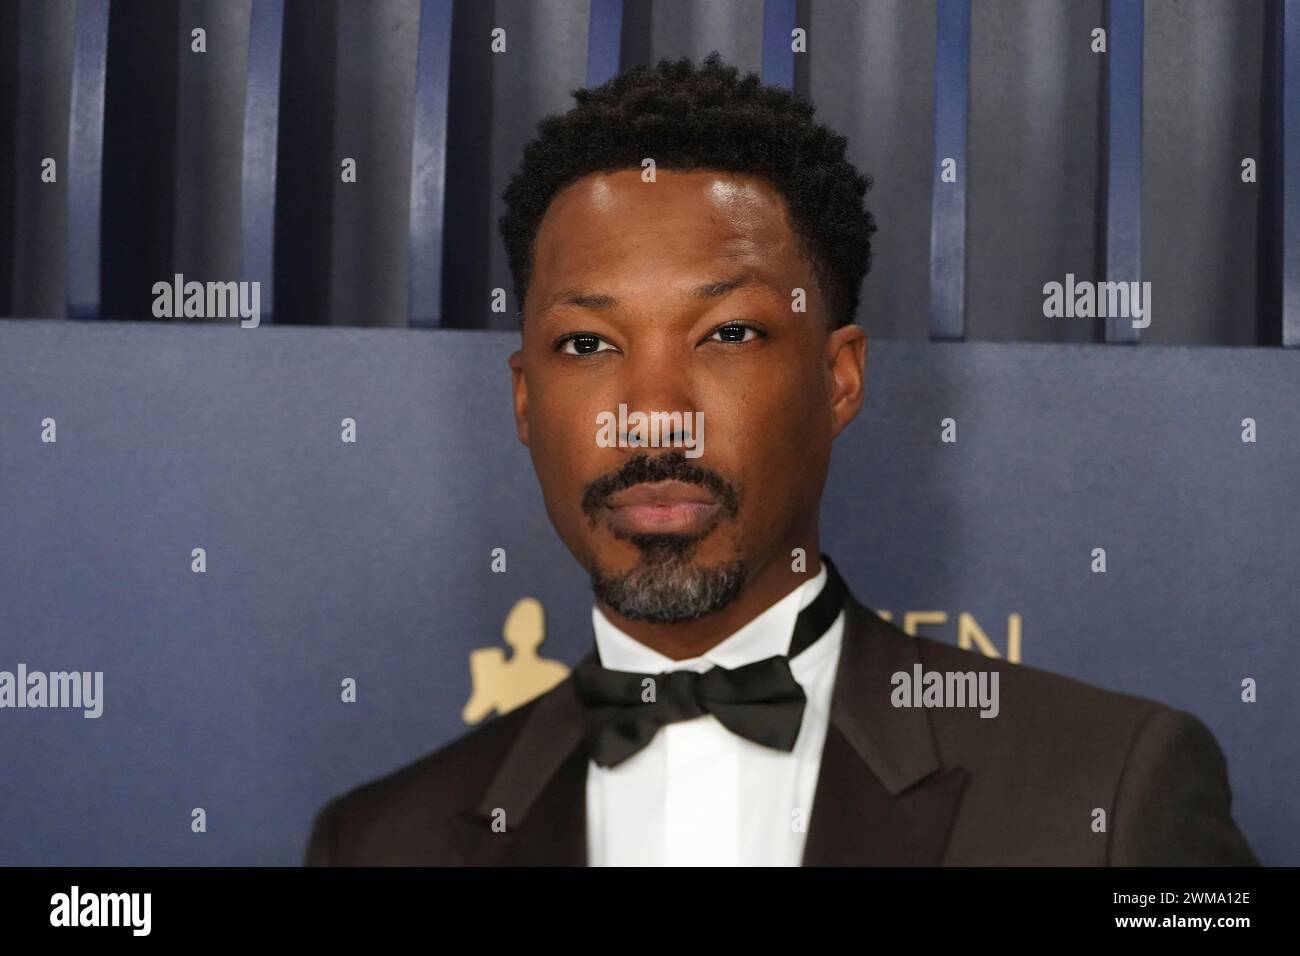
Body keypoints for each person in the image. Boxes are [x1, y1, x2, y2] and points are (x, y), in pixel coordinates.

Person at [304, 53, 1257, 866]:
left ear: (837, 380)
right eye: (589, 345)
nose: (654, 418)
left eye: (726, 333)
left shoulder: (1108, 795)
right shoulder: (384, 842)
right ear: (524, 400)